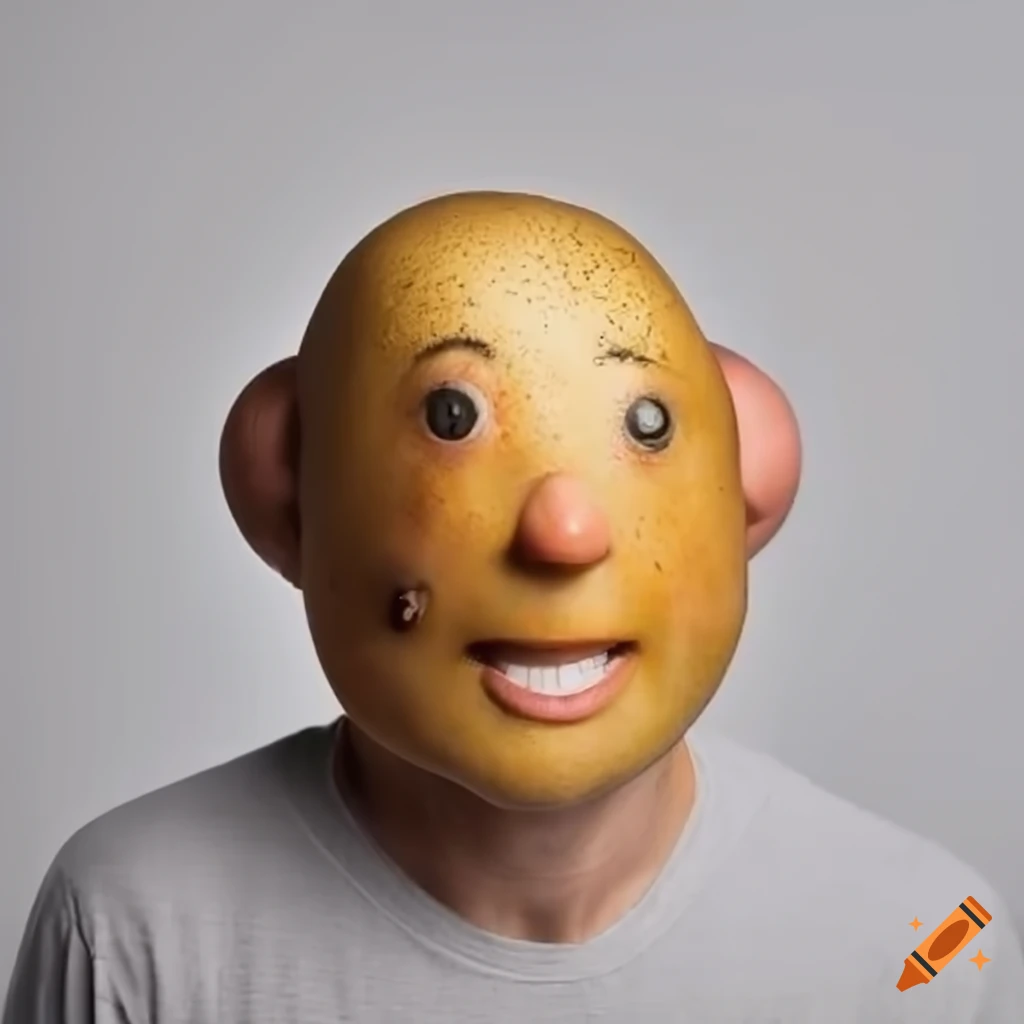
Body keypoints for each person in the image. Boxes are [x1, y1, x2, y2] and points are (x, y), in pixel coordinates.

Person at [5, 191, 1022, 1023]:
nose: (563, 528)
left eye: (647, 422)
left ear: (749, 486)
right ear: (287, 496)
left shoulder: (921, 943)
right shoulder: (132, 924)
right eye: (452, 416)